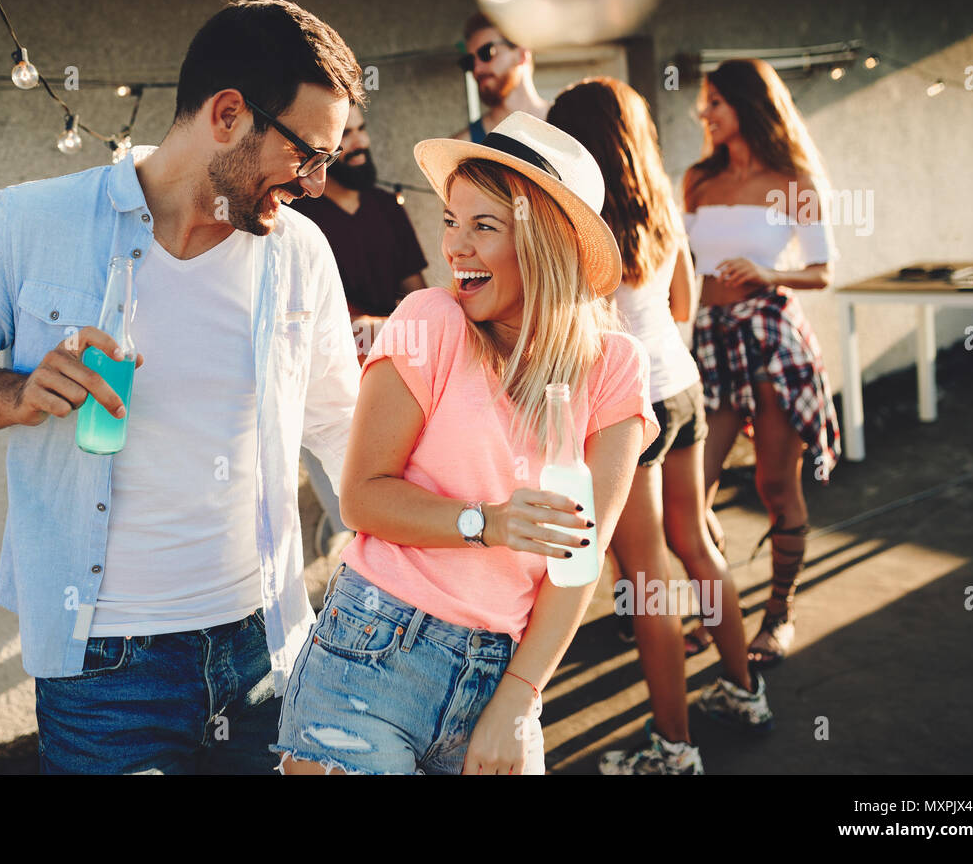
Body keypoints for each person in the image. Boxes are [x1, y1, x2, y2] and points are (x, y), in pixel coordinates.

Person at [0, 0, 364, 773]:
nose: (314, 182)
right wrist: (17, 393)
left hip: (264, 656)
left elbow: (341, 429)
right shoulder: (35, 221)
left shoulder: (300, 253)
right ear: (230, 113)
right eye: (308, 154)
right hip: (104, 673)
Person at [272, 112, 660, 775]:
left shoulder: (614, 365)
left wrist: (521, 695)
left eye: (485, 226)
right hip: (373, 649)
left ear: (550, 243)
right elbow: (362, 498)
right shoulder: (431, 320)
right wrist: (491, 524)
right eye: (452, 221)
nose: (454, 248)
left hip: (502, 668)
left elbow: (578, 558)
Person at [548, 77, 773, 774]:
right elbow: (683, 310)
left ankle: (675, 750)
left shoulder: (579, 224)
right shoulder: (664, 211)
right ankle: (744, 692)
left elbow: (567, 330)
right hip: (680, 388)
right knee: (698, 546)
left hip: (627, 410)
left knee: (643, 576)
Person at [683, 58, 841, 668]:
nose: (706, 113)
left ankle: (778, 614)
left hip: (773, 338)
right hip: (713, 341)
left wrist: (768, 271)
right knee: (691, 494)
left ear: (749, 104)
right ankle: (717, 612)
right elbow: (688, 272)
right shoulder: (698, 179)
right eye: (705, 101)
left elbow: (823, 271)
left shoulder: (792, 178)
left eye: (716, 101)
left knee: (777, 484)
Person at [291, 103, 428, 553]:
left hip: (397, 382)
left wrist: (385, 327)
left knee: (397, 501)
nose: (360, 143)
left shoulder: (388, 207)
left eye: (362, 130)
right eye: (346, 135)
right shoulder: (301, 223)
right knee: (351, 509)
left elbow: (420, 303)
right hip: (329, 387)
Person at [451, 12, 549, 143]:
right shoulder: (464, 146)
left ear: (521, 54)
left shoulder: (570, 123)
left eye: (487, 53)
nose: (477, 69)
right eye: (470, 61)